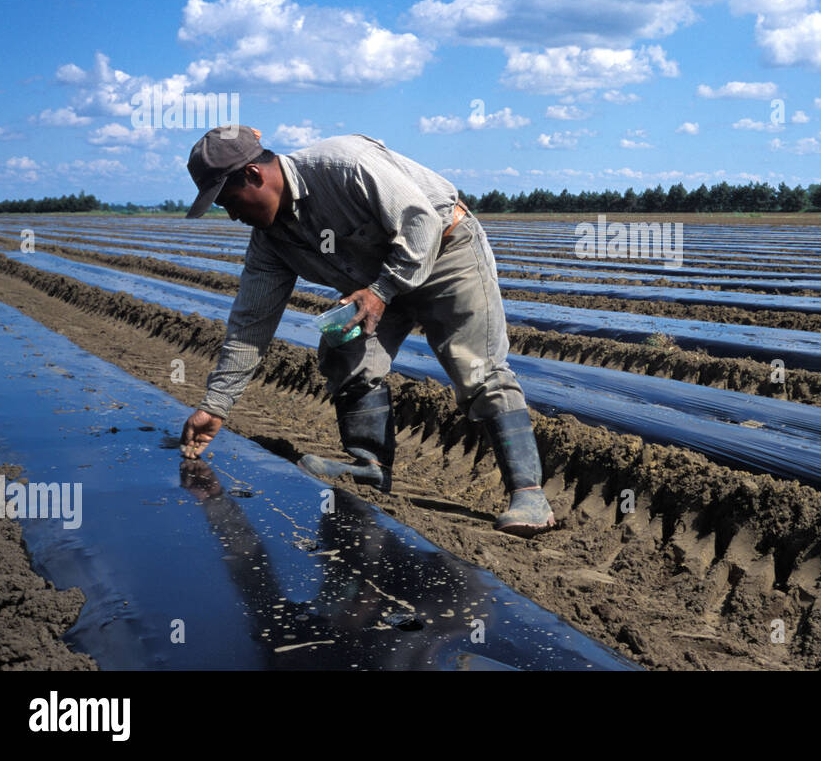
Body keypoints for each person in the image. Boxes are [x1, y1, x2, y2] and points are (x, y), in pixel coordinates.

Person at [177, 124, 554, 537]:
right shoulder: (270, 241)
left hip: (445, 252)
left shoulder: (344, 164)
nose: (232, 214)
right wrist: (216, 405)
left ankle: (529, 494)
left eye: (230, 200)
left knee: (477, 368)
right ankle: (370, 465)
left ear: (253, 175)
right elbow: (251, 323)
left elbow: (420, 222)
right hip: (377, 279)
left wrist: (381, 291)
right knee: (343, 349)